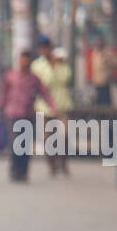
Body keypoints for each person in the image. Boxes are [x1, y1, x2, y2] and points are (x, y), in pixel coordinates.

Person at [0, 48, 60, 182]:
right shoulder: (10, 76)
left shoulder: (34, 79)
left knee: (26, 146)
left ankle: (23, 172)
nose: (24, 62)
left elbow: (45, 94)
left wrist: (53, 108)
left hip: (27, 115)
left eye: (26, 60)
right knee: (15, 143)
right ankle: (14, 170)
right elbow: (3, 94)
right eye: (22, 59)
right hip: (12, 114)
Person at [31, 38, 73, 176]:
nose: (45, 51)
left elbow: (66, 78)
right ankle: (52, 165)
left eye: (47, 48)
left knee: (64, 136)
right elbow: (44, 83)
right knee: (48, 138)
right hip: (44, 108)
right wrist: (51, 67)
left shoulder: (61, 64)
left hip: (61, 105)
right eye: (42, 48)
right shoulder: (37, 66)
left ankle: (64, 163)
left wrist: (56, 65)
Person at [89, 34, 116, 107]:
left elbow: (113, 63)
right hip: (97, 81)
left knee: (106, 102)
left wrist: (106, 57)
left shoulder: (107, 53)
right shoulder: (95, 53)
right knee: (98, 102)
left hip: (105, 81)